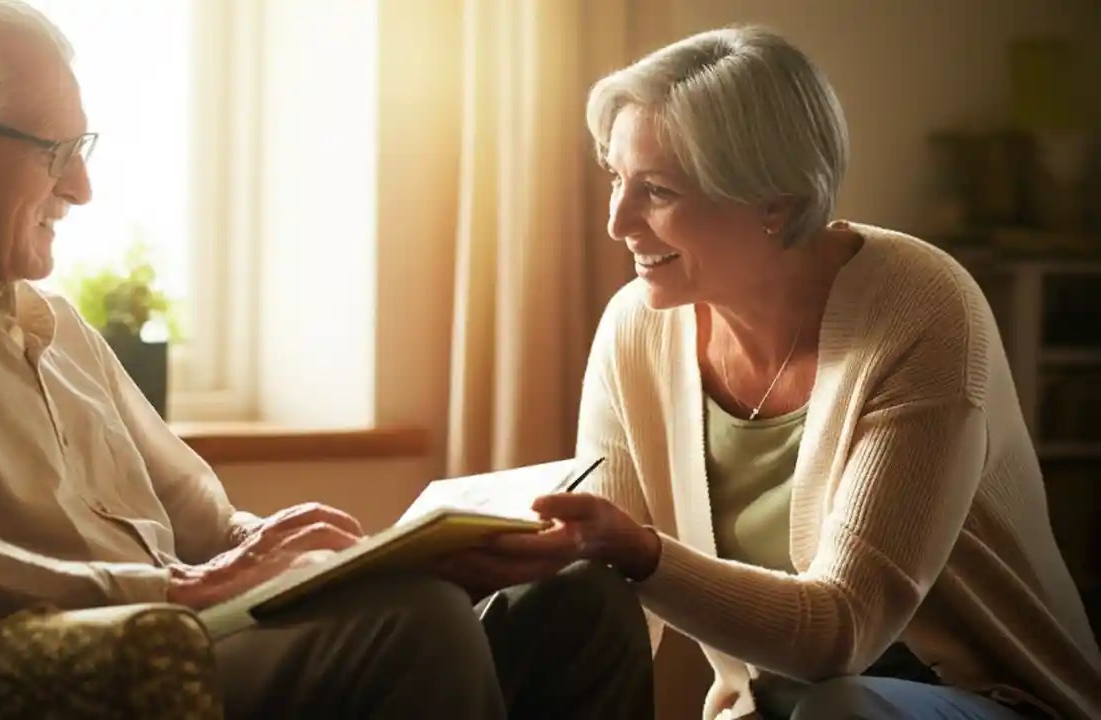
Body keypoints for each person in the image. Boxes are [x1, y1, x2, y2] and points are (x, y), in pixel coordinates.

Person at [0, 1, 653, 717]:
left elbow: (216, 531)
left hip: (199, 626)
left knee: (578, 602)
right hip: (95, 668)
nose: (81, 190)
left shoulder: (59, 324)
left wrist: (363, 558)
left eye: (85, 148)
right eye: (51, 152)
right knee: (419, 625)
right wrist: (180, 593)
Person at [448, 26, 1101, 720]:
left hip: (994, 702)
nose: (617, 221)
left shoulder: (923, 308)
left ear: (777, 202)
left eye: (658, 190)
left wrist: (638, 551)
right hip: (777, 709)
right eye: (615, 177)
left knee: (839, 711)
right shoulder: (636, 325)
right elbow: (600, 577)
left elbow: (839, 633)